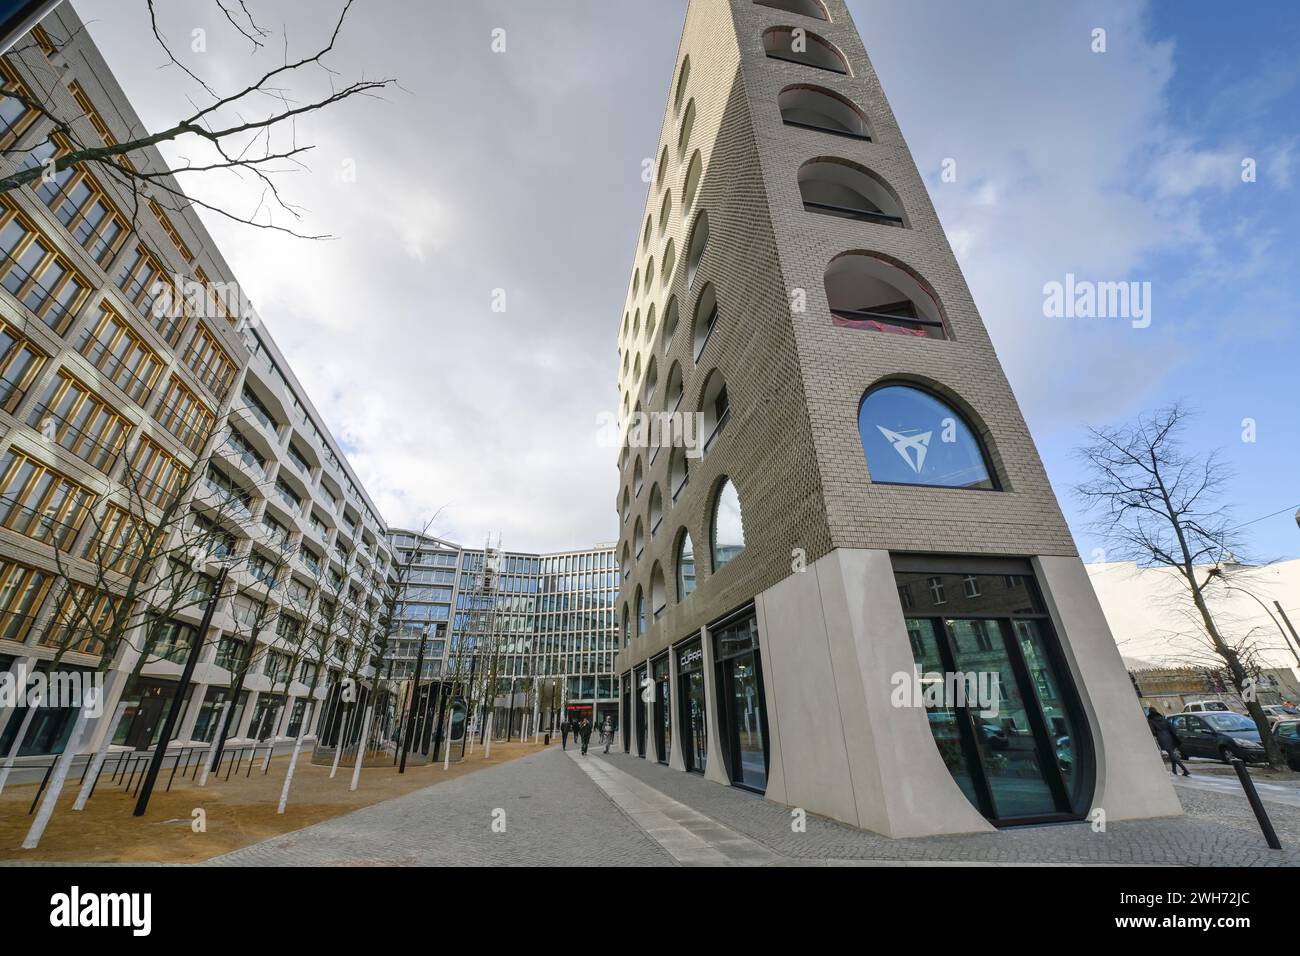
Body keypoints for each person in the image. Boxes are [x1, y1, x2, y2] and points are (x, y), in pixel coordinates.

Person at [1147, 705, 1189, 776]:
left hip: (1162, 737)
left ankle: (1184, 769)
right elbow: (1171, 727)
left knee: (1171, 754)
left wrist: (1157, 734)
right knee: (1171, 753)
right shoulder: (1163, 718)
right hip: (1170, 736)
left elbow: (1153, 731)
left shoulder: (1151, 721)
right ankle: (1174, 770)